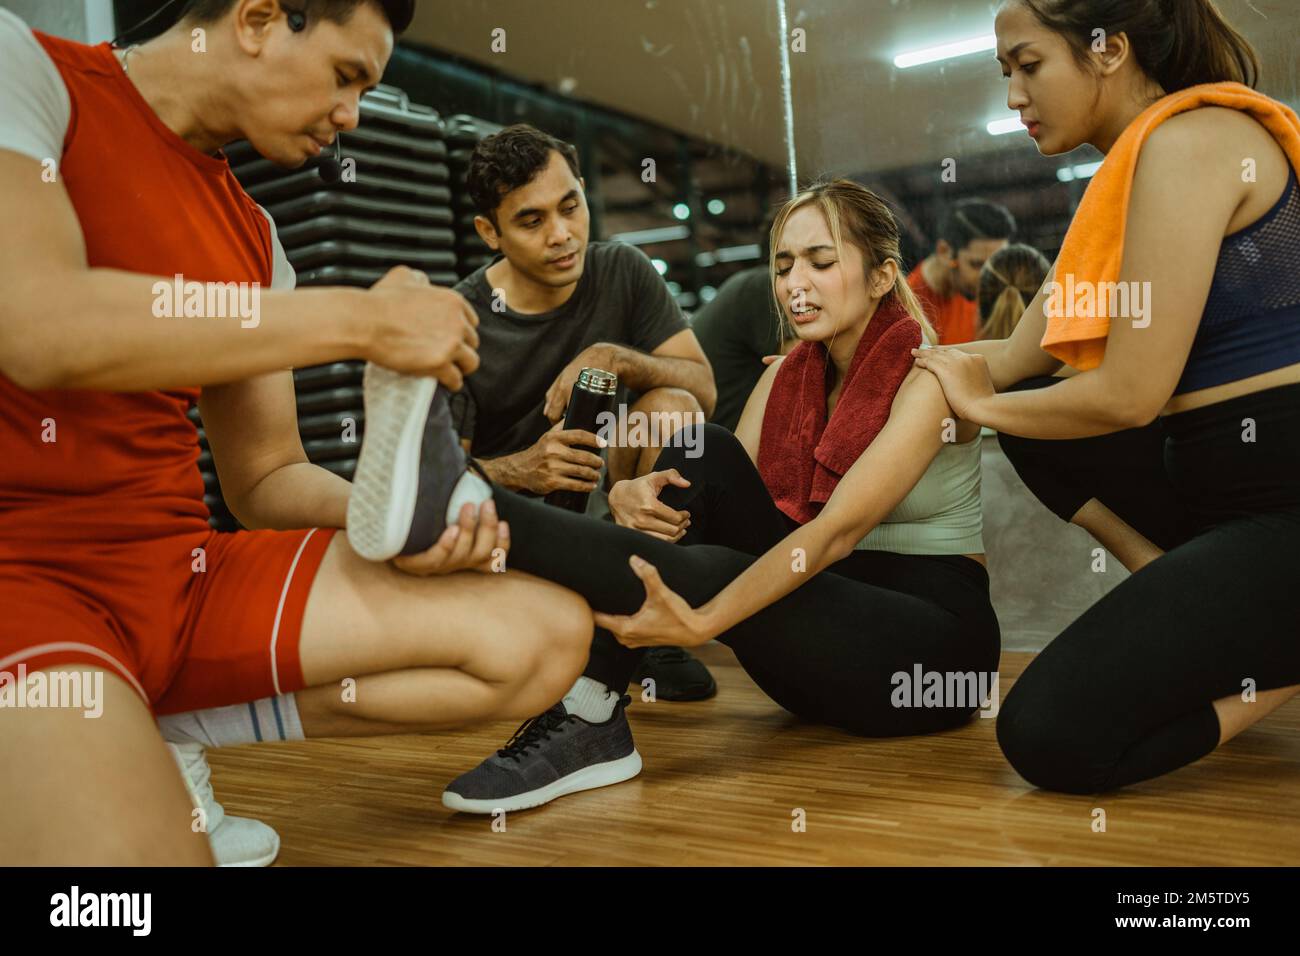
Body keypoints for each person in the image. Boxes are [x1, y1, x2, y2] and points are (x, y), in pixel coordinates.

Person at [0, 0, 593, 866]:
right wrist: (358, 321)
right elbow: (40, 324)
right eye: (346, 76)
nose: (350, 116)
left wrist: (392, 530)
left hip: (178, 580)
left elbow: (267, 475)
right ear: (258, 18)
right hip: (30, 577)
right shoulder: (32, 74)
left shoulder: (252, 229)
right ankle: (92, 731)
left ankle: (149, 720)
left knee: (541, 639)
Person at [416, 179, 1001, 814]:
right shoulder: (783, 378)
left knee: (723, 571)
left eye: (821, 261)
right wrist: (632, 495)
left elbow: (832, 535)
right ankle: (595, 706)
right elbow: (716, 496)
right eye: (783, 266)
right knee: (702, 446)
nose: (794, 282)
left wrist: (705, 621)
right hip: (822, 655)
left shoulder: (928, 378)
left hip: (930, 664)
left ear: (884, 276)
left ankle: (483, 515)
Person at [912, 0, 1300, 794]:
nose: (1014, 97)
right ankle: (1225, 613)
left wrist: (978, 407)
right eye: (1005, 75)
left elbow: (1127, 395)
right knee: (1039, 424)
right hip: (1211, 487)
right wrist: (885, 364)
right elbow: (1019, 356)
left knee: (1049, 736)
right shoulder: (1127, 174)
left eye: (1028, 66)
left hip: (1283, 502)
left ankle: (1283, 663)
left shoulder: (1194, 142)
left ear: (1109, 49)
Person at [451, 123, 720, 701]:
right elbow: (433, 483)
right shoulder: (461, 320)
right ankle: (567, 623)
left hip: (612, 506)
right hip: (518, 533)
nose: (562, 234)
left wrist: (615, 359)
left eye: (570, 207)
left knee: (673, 407)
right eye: (531, 221)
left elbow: (704, 389)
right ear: (488, 232)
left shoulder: (622, 271)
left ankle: (650, 613)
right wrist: (521, 468)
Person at [691, 210, 796, 432]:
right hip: (724, 442)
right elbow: (803, 369)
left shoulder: (748, 283)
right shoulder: (764, 286)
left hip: (717, 436)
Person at [907, 198, 1017, 345]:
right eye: (977, 265)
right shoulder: (904, 307)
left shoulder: (984, 297)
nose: (992, 279)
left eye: (997, 265)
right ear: (945, 251)